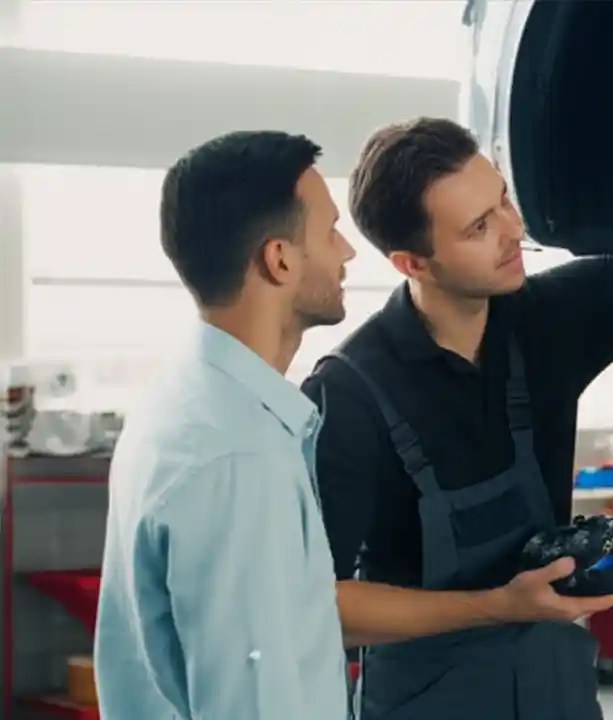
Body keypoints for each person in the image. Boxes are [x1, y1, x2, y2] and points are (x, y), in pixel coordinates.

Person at [301, 117, 613, 720]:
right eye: (479, 227)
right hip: (426, 702)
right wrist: (499, 605)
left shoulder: (544, 322)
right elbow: (320, 606)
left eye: (503, 200)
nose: (513, 230)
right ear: (414, 264)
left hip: (555, 692)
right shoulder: (348, 392)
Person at [94, 130, 357, 719]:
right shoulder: (240, 457)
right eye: (330, 232)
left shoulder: (183, 401)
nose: (347, 252)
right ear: (279, 258)